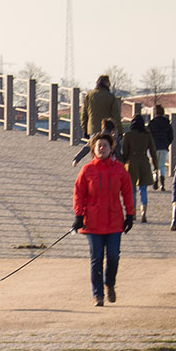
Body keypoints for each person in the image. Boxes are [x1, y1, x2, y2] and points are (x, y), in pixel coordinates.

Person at [72, 131, 136, 307]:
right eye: (99, 146)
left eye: (105, 146)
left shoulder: (119, 169)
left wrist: (130, 214)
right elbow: (79, 194)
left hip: (114, 220)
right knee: (96, 259)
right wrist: (78, 215)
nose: (102, 148)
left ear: (111, 149)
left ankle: (110, 284)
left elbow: (128, 192)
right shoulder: (87, 170)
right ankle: (97, 294)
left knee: (114, 256)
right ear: (94, 149)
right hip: (92, 221)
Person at [74, 74, 123, 164]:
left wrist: (84, 129)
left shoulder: (89, 96)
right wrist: (119, 131)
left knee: (95, 153)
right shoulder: (110, 97)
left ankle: (95, 171)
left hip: (93, 129)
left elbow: (84, 114)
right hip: (107, 129)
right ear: (107, 83)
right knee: (106, 153)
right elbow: (116, 116)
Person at [123, 111, 157, 223]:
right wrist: (155, 166)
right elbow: (152, 152)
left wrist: (122, 165)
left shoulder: (128, 135)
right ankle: (144, 213)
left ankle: (133, 213)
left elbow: (125, 152)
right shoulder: (147, 134)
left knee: (132, 190)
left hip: (131, 163)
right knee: (143, 190)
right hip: (144, 163)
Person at [148, 103, 174, 188]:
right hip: (164, 146)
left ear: (155, 113)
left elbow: (148, 135)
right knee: (162, 165)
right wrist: (167, 143)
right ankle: (162, 183)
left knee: (154, 164)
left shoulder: (152, 123)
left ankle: (155, 180)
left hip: (154, 146)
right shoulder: (167, 123)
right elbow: (171, 136)